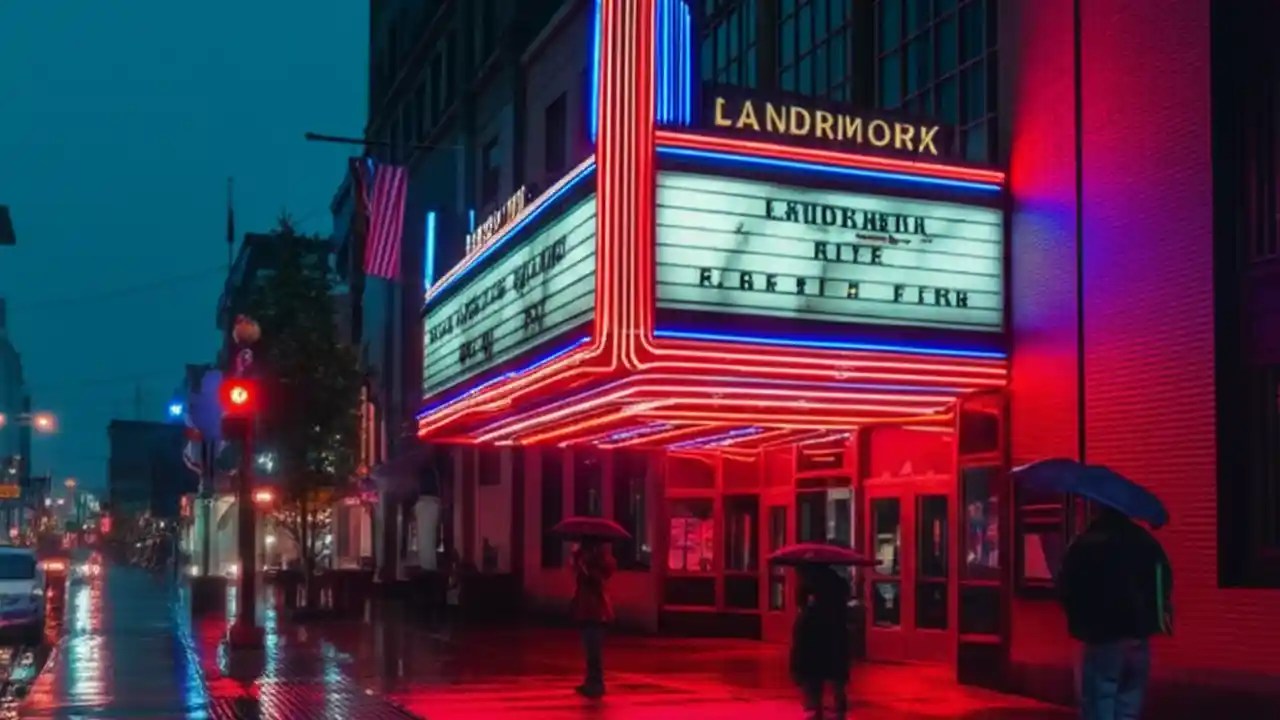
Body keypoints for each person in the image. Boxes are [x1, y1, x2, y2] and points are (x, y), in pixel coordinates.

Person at [1058, 506, 1172, 720]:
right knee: (1129, 699)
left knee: (1099, 696)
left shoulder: (1084, 545)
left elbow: (1066, 586)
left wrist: (1078, 621)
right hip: (1138, 633)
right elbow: (1162, 580)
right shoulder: (1145, 542)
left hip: (1101, 634)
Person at [790, 564, 852, 720]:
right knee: (836, 670)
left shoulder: (808, 583)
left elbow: (801, 605)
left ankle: (815, 707)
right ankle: (839, 705)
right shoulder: (838, 581)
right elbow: (845, 598)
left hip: (813, 633)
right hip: (835, 630)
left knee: (813, 673)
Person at [570, 539, 616, 699]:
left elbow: (598, 579)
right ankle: (591, 681)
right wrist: (577, 559)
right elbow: (578, 576)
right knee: (589, 651)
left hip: (596, 612)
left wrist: (586, 565)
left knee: (594, 651)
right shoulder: (585, 562)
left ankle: (596, 684)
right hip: (586, 611)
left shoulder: (600, 563)